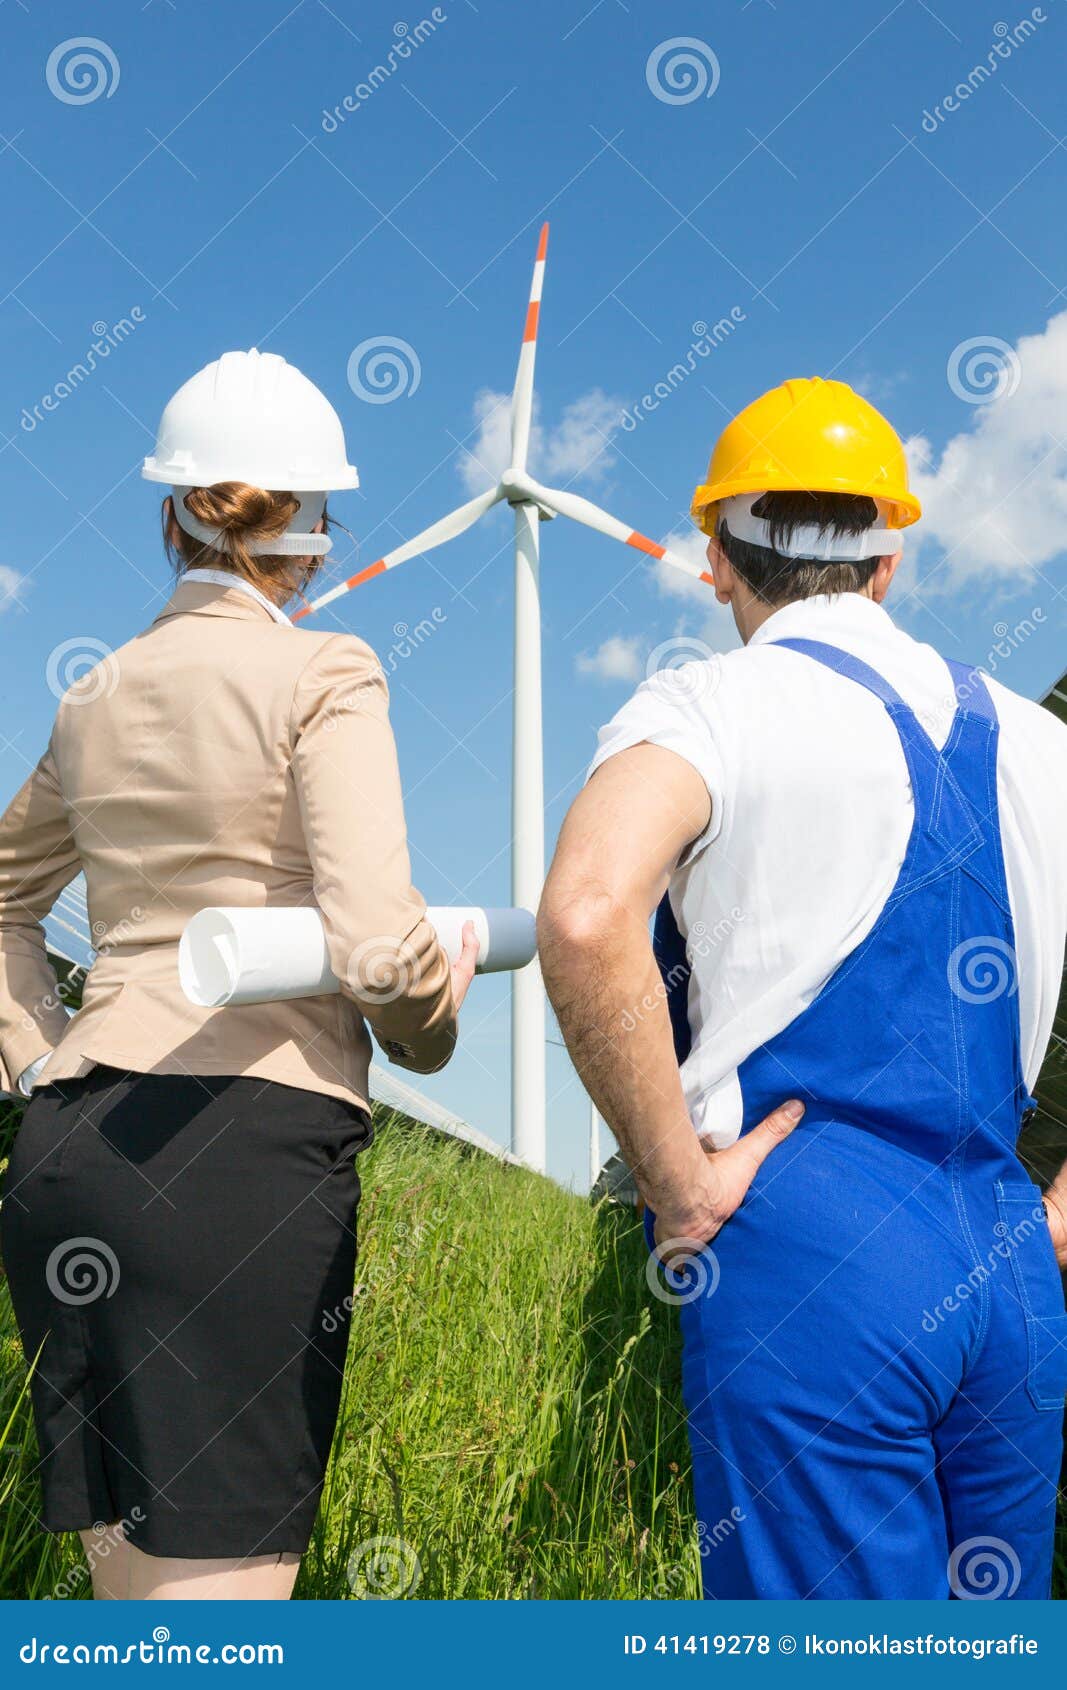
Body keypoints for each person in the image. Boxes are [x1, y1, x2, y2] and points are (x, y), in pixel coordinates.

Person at [539, 376, 1067, 1599]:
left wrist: (675, 1184)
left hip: (809, 1245)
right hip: (1007, 1262)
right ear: (887, 561)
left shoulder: (706, 705)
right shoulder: (1042, 748)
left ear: (716, 557)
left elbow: (583, 910)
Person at [0, 348, 478, 1600]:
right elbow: (378, 944)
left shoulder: (89, 699)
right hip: (234, 1162)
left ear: (172, 514)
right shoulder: (327, 672)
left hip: (65, 1157)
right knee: (219, 1631)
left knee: (135, 1620)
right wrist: (440, 1005)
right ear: (313, 535)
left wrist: (44, 1056)